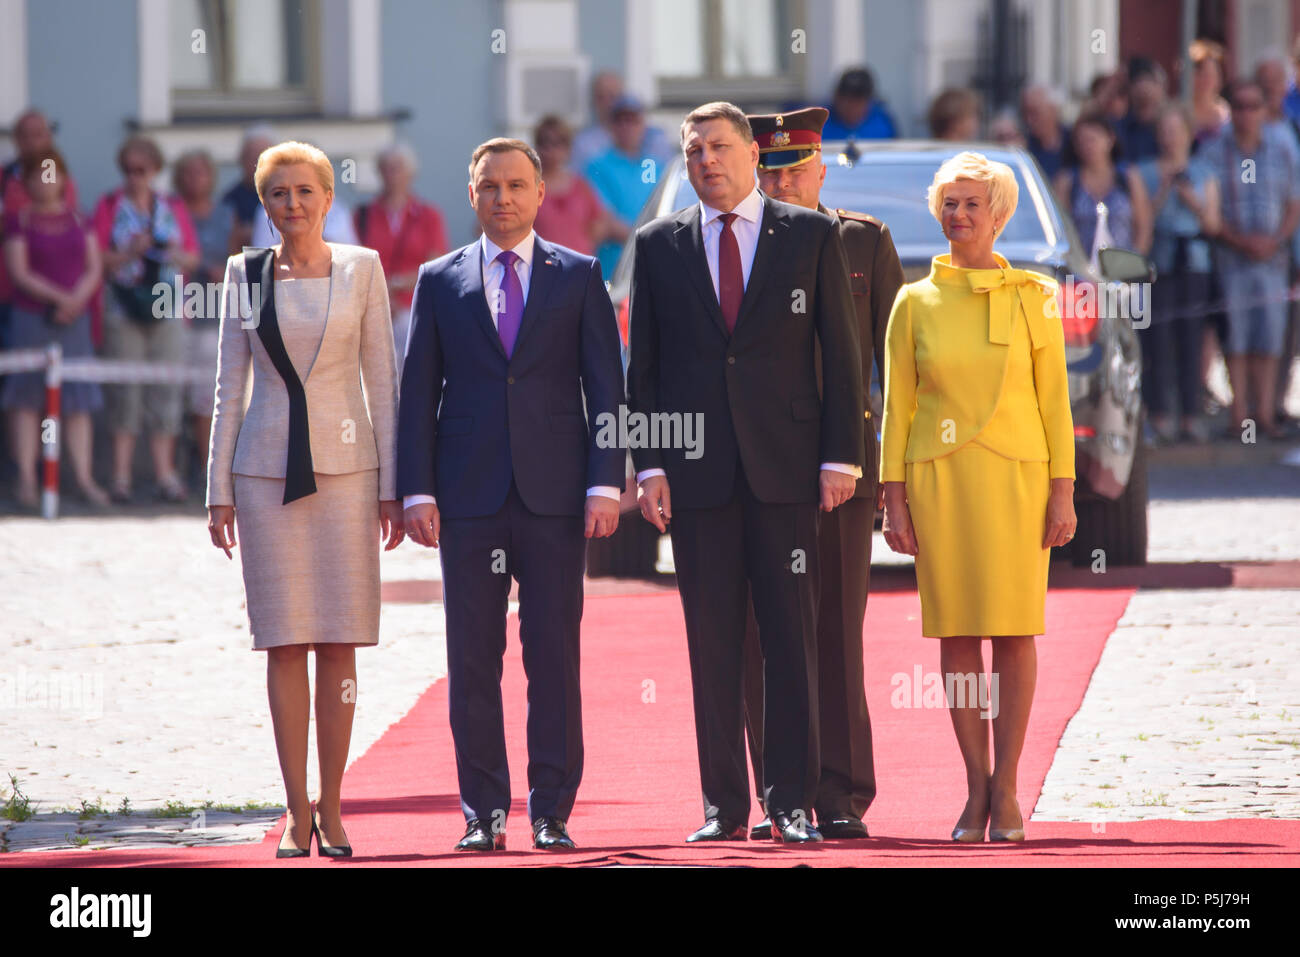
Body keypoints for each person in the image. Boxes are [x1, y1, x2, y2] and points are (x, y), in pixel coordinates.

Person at [626, 101, 864, 845]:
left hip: (787, 471)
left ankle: (791, 800)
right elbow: (648, 367)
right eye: (694, 150)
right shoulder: (659, 244)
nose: (707, 161)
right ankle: (723, 803)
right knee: (713, 642)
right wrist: (651, 461)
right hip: (696, 477)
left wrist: (840, 456)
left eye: (720, 147)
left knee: (791, 639)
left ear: (752, 156)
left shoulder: (812, 235)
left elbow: (843, 357)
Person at [397, 138, 625, 853]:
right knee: (472, 658)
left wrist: (604, 481)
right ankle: (484, 811)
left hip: (557, 498)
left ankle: (551, 808)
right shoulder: (439, 281)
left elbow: (605, 388)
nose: (503, 198)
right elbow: (416, 395)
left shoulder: (580, 275)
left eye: (517, 185)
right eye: (489, 185)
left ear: (538, 194)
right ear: (472, 194)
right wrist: (415, 490)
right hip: (467, 498)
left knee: (553, 654)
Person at [205, 140, 402, 859]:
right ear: (264, 205)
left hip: (349, 477)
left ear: (328, 196)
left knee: (340, 638)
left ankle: (336, 804)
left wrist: (393, 485)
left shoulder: (363, 268)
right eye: (278, 194)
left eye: (304, 191)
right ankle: (295, 810)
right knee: (284, 641)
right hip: (263, 478)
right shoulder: (243, 273)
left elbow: (384, 382)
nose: (292, 204)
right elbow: (231, 384)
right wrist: (217, 487)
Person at [879, 151, 1077, 843]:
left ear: (998, 214)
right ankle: (973, 788)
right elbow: (897, 406)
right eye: (949, 203)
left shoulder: (1036, 295)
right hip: (941, 481)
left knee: (1016, 629)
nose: (957, 215)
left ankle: (1010, 787)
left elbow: (1056, 400)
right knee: (959, 630)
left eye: (970, 204)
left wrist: (1063, 491)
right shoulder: (913, 301)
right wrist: (893, 498)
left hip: (1020, 479)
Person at [740, 107, 904, 841]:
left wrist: (887, 475)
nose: (781, 182)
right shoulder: (737, 242)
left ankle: (839, 791)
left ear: (821, 172)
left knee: (836, 631)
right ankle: (779, 791)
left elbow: (890, 369)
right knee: (758, 636)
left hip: (842, 471)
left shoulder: (863, 239)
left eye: (794, 170)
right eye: (769, 171)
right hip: (755, 470)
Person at [92, 134, 199, 503]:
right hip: (124, 308)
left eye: (141, 170)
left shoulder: (171, 206)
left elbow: (192, 258)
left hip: (166, 306)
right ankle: (120, 477)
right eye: (128, 170)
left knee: (165, 390)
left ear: (154, 170)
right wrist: (129, 252)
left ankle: (165, 474)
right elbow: (97, 260)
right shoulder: (109, 205)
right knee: (126, 389)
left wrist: (170, 251)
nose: (135, 177)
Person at [2, 148, 106, 507]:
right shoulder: (20, 222)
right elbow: (19, 271)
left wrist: (76, 299)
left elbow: (94, 266)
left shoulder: (80, 219)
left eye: (52, 173)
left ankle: (83, 477)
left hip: (74, 321)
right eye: (38, 173)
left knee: (77, 401)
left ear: (64, 179)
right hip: (33, 319)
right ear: (28, 181)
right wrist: (60, 298)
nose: (46, 180)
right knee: (28, 400)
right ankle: (28, 480)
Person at [1200, 79, 1300, 440]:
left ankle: (1267, 414)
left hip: (1273, 259)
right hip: (1232, 258)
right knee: (1237, 340)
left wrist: (1275, 240)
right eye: (1239, 106)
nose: (1246, 113)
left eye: (1253, 106)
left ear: (1263, 110)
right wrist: (1240, 240)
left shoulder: (1282, 147)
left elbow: (1294, 201)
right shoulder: (1214, 151)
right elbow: (1207, 208)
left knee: (1270, 340)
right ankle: (1240, 417)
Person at [1137, 104, 1221, 445]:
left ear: (1188, 135)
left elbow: (1213, 225)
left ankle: (1190, 415)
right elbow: (1142, 221)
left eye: (1177, 131)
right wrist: (1163, 192)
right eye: (1165, 131)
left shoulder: (1204, 172)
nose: (1171, 138)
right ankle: (1159, 415)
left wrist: (1193, 202)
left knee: (1192, 338)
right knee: (1157, 339)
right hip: (1159, 262)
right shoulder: (1144, 172)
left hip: (1194, 263)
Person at [352, 142, 449, 364]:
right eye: (386, 168)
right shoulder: (363, 215)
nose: (391, 174)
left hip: (413, 307)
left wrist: (393, 286)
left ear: (410, 173)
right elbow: (354, 264)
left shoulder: (428, 215)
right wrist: (382, 295)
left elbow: (436, 267)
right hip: (372, 307)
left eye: (397, 168)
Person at [173, 149, 236, 484]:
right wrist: (197, 266)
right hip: (172, 308)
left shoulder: (225, 216)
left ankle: (207, 467)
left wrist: (223, 270)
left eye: (200, 172)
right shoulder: (169, 212)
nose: (193, 180)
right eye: (187, 173)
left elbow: (238, 257)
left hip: (212, 313)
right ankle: (170, 470)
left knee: (206, 396)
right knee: (170, 394)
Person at [0, 110, 82, 348]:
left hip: (56, 290)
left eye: (38, 135)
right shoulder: (5, 176)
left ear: (49, 138)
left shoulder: (56, 175)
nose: (32, 142)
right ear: (15, 139)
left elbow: (65, 227)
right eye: (24, 135)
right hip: (8, 289)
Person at [1053, 110, 1152, 257]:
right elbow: (1060, 229)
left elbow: (1144, 225)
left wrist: (1135, 264)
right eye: (1082, 141)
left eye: (1093, 139)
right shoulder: (1067, 182)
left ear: (1110, 139)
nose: (1088, 146)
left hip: (1123, 269)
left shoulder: (1128, 177)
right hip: (1081, 271)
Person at [583, 94, 662, 277]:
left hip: (653, 263)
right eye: (621, 121)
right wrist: (650, 240)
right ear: (611, 127)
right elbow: (605, 219)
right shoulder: (597, 166)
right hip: (615, 265)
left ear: (643, 125)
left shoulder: (654, 165)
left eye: (633, 121)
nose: (627, 127)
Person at [532, 115, 623, 257]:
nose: (550, 149)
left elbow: (600, 221)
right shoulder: (528, 187)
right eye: (544, 142)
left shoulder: (580, 186)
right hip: (541, 269)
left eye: (558, 143)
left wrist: (582, 243)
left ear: (567, 148)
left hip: (578, 269)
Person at [570, 71, 674, 174]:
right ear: (593, 102)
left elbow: (670, 175)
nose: (608, 103)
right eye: (601, 97)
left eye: (612, 96)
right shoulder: (584, 143)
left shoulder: (656, 138)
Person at [222, 126, 276, 250]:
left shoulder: (287, 195)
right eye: (253, 157)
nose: (259, 164)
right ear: (241, 159)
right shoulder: (231, 199)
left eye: (264, 157)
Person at [820, 67, 898, 140]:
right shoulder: (820, 122)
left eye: (859, 102)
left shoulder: (883, 121)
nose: (852, 108)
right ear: (836, 98)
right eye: (848, 101)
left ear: (870, 102)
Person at [1116, 57, 1167, 163]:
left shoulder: (1171, 128)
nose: (1145, 91)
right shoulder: (1119, 130)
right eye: (1139, 84)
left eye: (1151, 83)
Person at [1021, 86, 1070, 180]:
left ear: (1053, 111)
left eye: (1034, 113)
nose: (1028, 120)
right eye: (1025, 113)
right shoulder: (1024, 148)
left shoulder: (1073, 143)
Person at [1189, 40, 1230, 151]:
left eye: (1211, 74)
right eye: (1200, 74)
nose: (1206, 80)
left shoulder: (1227, 114)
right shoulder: (1178, 111)